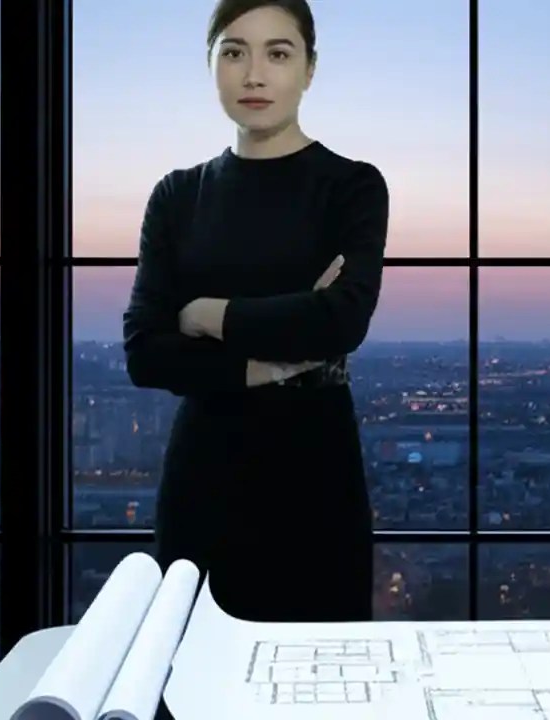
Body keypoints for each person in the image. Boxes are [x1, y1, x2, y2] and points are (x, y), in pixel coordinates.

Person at [122, 0, 387, 629]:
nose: (254, 74)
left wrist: (210, 314)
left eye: (278, 53)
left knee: (322, 680)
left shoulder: (351, 187)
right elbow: (144, 351)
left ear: (310, 69)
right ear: (211, 66)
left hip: (316, 476)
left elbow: (342, 322)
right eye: (234, 52)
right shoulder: (177, 195)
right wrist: (267, 363)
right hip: (204, 478)